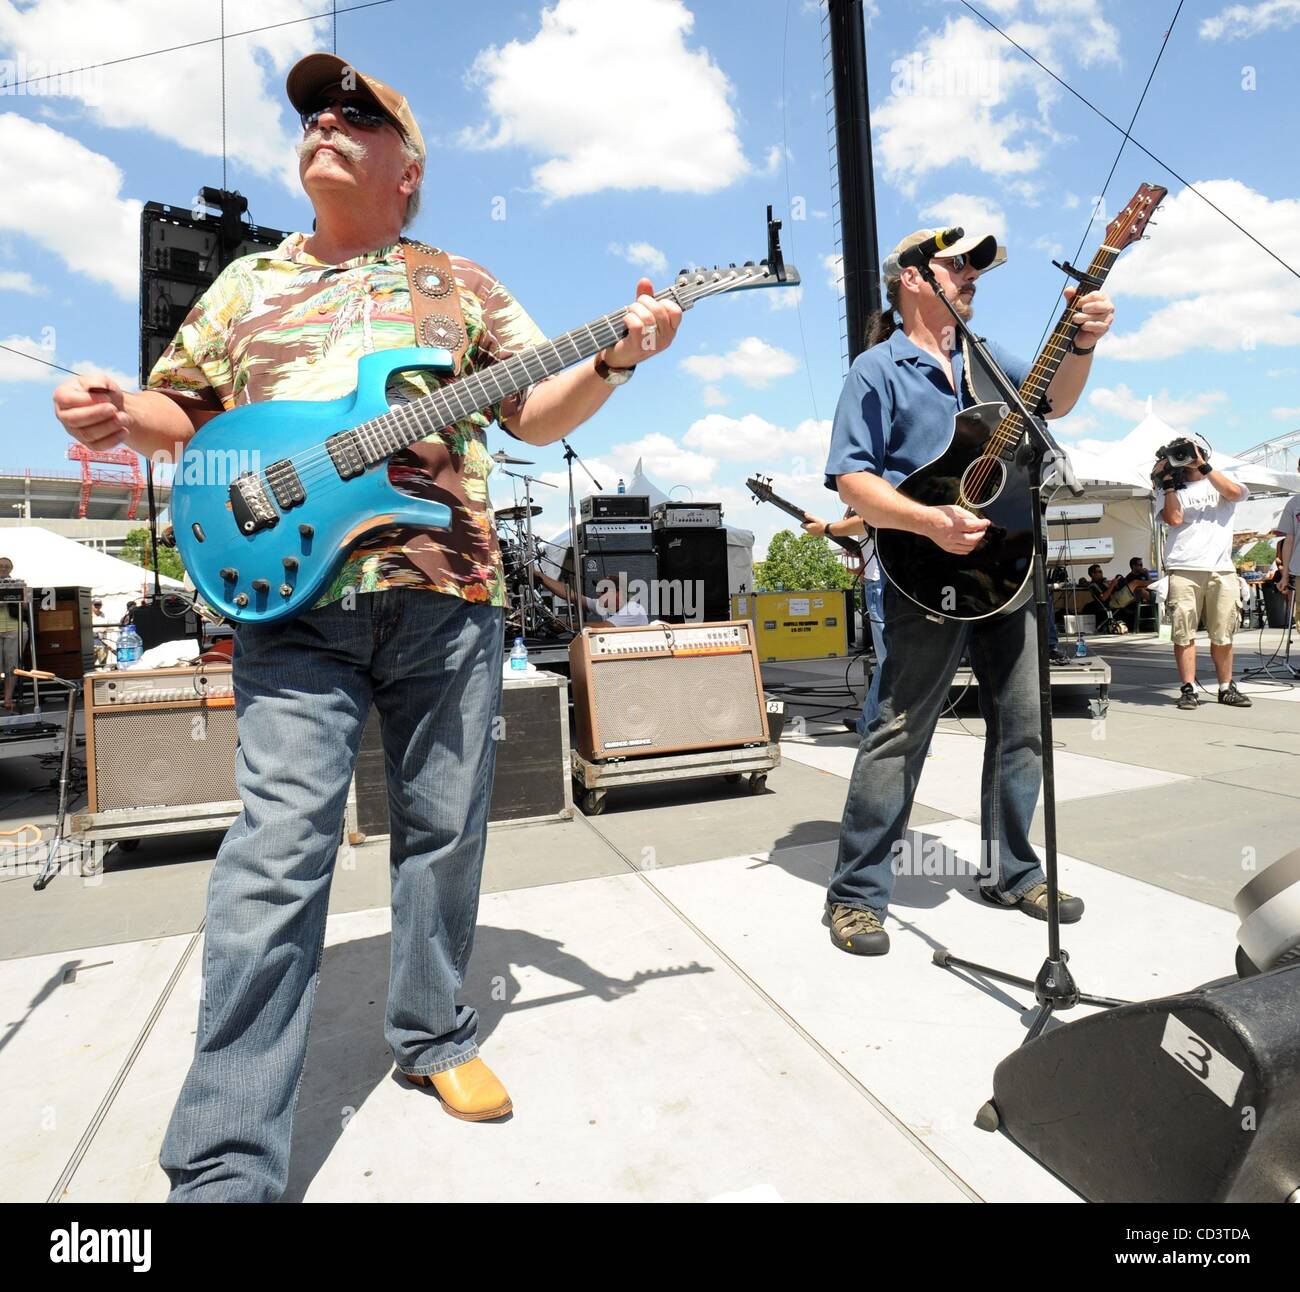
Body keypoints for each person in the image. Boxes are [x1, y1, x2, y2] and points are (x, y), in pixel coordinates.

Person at [51, 53, 682, 1202]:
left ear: (408, 169)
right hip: (292, 602)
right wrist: (117, 414)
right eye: (314, 112)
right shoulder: (244, 284)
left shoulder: (457, 283)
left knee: (444, 833)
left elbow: (536, 413)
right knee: (275, 854)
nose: (325, 123)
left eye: (356, 112)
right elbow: (180, 411)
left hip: (446, 596)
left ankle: (431, 1031)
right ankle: (226, 1158)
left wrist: (614, 356)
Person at [822, 226, 1114, 954]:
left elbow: (1056, 403)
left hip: (1009, 567)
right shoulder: (877, 370)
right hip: (925, 571)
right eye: (956, 265)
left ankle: (1012, 872)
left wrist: (1082, 344)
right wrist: (928, 521)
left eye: (976, 269)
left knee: (1023, 727)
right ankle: (856, 895)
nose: (971, 276)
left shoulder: (987, 358)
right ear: (913, 278)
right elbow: (852, 478)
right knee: (899, 729)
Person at [1156, 441, 1252, 710]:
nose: (1185, 458)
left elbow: (1234, 493)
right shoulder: (1167, 489)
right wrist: (1168, 483)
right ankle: (1189, 689)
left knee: (1224, 632)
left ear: (1203, 453)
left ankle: (1226, 687)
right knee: (1183, 632)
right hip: (1184, 567)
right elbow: (1174, 519)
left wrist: (1203, 466)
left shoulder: (1222, 478)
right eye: (1180, 454)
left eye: (1189, 452)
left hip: (1221, 568)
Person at [534, 563, 649, 628]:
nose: (598, 594)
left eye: (604, 590)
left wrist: (568, 625)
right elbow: (572, 596)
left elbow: (604, 627)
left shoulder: (633, 609)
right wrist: (540, 576)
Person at [0, 556, 22, 712]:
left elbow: (26, 605)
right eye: (0, 566)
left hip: (15, 628)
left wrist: (16, 597)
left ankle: (8, 699)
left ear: (11, 569)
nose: (3, 568)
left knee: (11, 666)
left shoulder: (17, 583)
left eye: (6, 566)